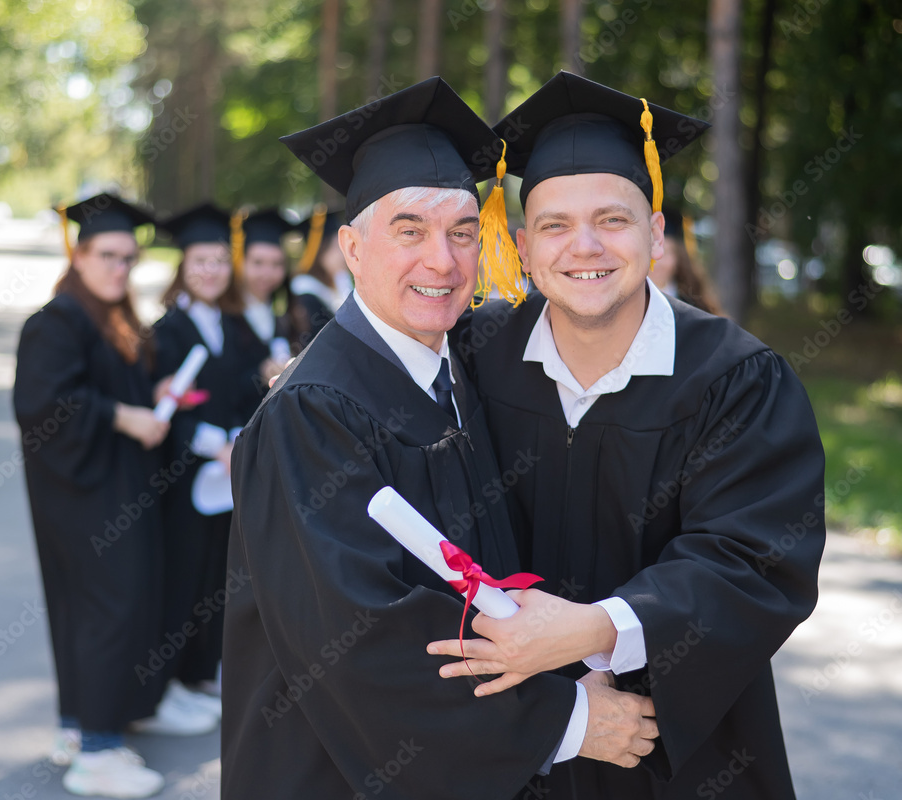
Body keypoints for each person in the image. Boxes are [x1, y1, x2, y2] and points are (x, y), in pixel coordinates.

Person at [221, 77, 656, 800]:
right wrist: (569, 720)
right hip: (333, 769)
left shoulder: (458, 369)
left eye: (462, 232)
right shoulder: (314, 412)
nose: (444, 261)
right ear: (352, 248)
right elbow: (365, 643)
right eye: (410, 231)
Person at [431, 72, 826, 799]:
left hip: (683, 749)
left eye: (612, 219)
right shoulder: (470, 358)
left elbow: (753, 561)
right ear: (521, 245)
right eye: (554, 225)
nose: (585, 246)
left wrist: (592, 630)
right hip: (517, 740)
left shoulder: (737, 379)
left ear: (655, 233)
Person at [14, 193, 171, 798]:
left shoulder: (112, 319)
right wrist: (122, 418)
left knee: (92, 610)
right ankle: (99, 754)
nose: (119, 268)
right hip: (82, 494)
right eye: (107, 255)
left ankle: (79, 727)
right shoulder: (57, 321)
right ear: (77, 255)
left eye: (129, 258)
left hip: (111, 488)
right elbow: (43, 405)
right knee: (109, 607)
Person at [150, 202, 268, 724]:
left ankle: (205, 669)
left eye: (220, 260)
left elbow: (249, 391)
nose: (211, 270)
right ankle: (173, 676)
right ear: (182, 266)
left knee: (223, 573)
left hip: (230, 474)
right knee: (184, 574)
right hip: (186, 475)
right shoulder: (167, 330)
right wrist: (210, 443)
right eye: (200, 260)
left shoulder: (238, 325)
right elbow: (166, 410)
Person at [237, 208, 315, 386]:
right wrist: (260, 373)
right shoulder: (226, 315)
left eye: (276, 264)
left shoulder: (291, 312)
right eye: (258, 262)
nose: (267, 273)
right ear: (241, 261)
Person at [290, 205, 353, 333]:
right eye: (337, 247)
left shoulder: (336, 279)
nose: (343, 253)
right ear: (320, 251)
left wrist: (341, 277)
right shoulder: (305, 294)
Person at [650, 206, 724, 315]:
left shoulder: (696, 306)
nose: (657, 261)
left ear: (678, 256)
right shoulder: (625, 305)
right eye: (650, 251)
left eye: (666, 252)